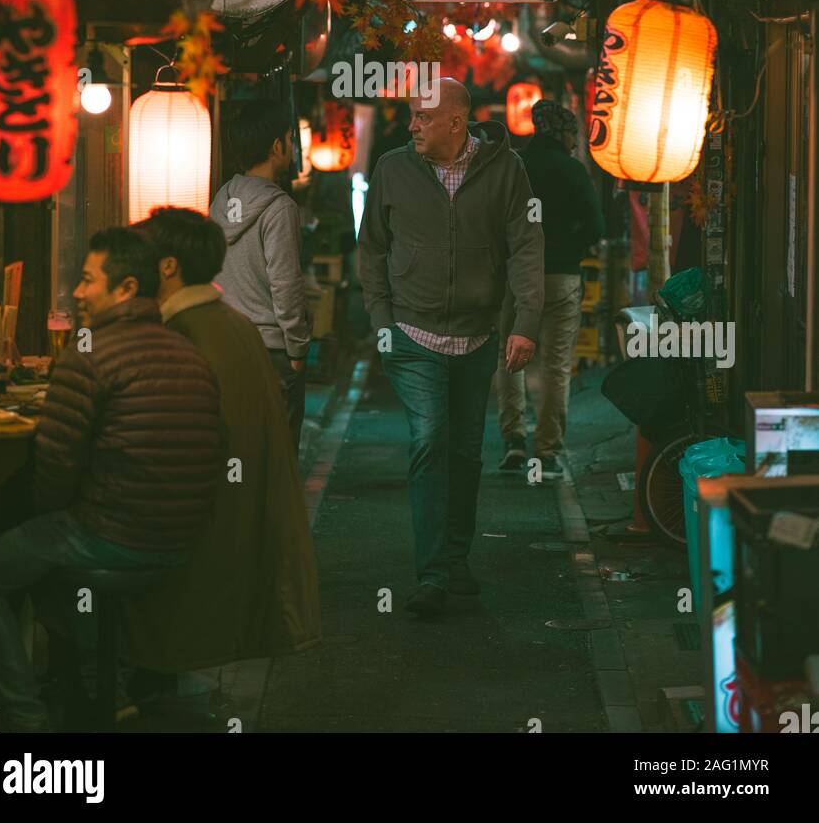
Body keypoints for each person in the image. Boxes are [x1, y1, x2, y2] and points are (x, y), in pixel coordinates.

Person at [0, 228, 222, 732]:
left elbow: (53, 473)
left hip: (116, 535)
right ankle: (100, 688)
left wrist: (42, 510)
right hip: (181, 539)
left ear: (127, 288)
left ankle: (25, 717)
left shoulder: (89, 354)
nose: (78, 292)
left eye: (89, 281)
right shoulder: (188, 352)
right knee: (44, 568)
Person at [358, 78, 544, 618]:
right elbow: (371, 249)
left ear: (456, 123)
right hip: (412, 336)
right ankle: (433, 572)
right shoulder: (394, 169)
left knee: (465, 452)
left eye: (422, 117)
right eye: (412, 117)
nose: (411, 125)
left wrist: (525, 322)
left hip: (478, 335)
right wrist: (380, 320)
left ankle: (455, 558)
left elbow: (527, 248)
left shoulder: (508, 171)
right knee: (430, 439)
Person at [124, 207, 321, 680]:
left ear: (167, 266)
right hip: (236, 530)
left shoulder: (179, 333)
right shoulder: (232, 324)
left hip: (190, 528)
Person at [496, 100, 606, 479]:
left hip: (514, 276)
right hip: (561, 276)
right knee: (556, 365)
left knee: (509, 358)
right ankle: (547, 450)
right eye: (573, 132)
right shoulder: (573, 172)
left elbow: (493, 221)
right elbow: (595, 225)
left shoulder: (513, 166)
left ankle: (513, 440)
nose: (576, 141)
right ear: (562, 133)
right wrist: (568, 249)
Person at [210, 100, 310, 453]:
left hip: (228, 343)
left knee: (236, 447)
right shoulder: (279, 207)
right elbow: (285, 282)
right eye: (289, 139)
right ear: (276, 146)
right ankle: (273, 511)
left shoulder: (223, 197)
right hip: (271, 349)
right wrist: (297, 345)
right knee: (276, 454)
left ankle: (242, 509)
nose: (292, 148)